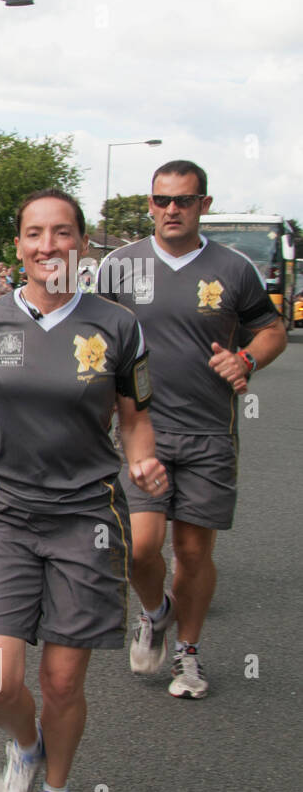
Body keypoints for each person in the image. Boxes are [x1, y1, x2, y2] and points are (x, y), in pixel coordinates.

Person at [0, 188, 167, 792]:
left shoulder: (118, 325)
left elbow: (135, 417)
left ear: (81, 243)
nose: (48, 245)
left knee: (63, 679)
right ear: (19, 245)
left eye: (62, 232)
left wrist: (143, 462)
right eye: (35, 233)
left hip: (87, 516)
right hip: (3, 512)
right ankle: (26, 748)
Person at [96, 160, 287, 699]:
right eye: (161, 200)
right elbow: (95, 338)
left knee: (195, 553)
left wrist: (247, 359)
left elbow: (272, 329)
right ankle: (156, 614)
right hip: (144, 430)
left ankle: (188, 655)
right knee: (140, 548)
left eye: (183, 200)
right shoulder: (119, 265)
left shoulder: (235, 268)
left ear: (204, 204)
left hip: (209, 434)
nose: (170, 209)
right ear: (150, 204)